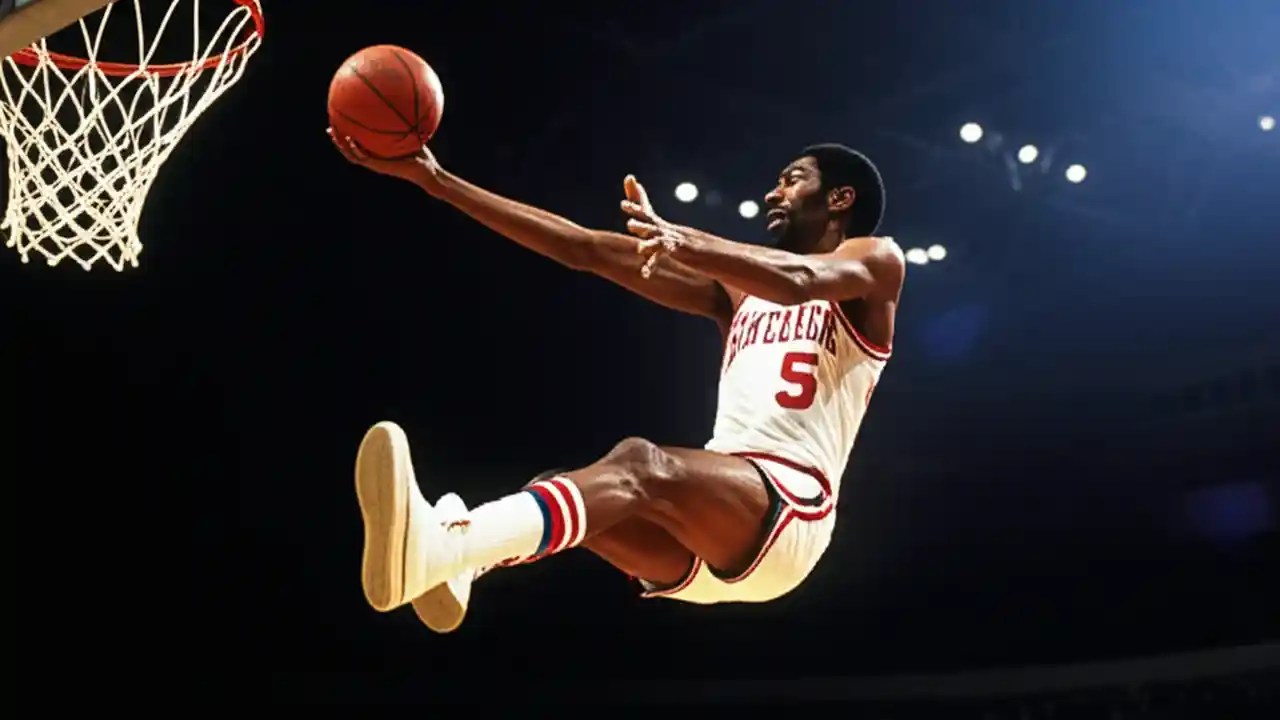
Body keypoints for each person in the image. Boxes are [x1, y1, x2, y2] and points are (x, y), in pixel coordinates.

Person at [327, 128, 905, 633]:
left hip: (788, 508)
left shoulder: (877, 261)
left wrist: (685, 241)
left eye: (791, 180)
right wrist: (437, 180)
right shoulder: (738, 290)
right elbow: (581, 248)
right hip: (709, 531)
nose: (772, 192)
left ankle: (444, 546)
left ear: (839, 198)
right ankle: (459, 560)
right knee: (568, 485)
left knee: (640, 463)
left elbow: (803, 279)